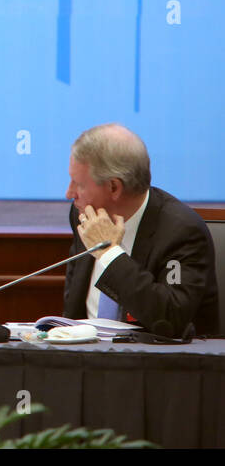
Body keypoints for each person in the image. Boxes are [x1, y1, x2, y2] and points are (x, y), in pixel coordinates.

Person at [62, 123, 217, 337]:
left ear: (114, 187)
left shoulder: (182, 232)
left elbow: (170, 318)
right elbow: (74, 304)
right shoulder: (84, 214)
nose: (69, 193)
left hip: (156, 364)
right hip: (86, 361)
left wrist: (110, 255)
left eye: (78, 184)